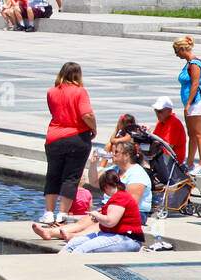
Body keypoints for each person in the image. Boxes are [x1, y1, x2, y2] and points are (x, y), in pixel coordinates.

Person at [41, 61, 97, 224]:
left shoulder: (51, 92)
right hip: (77, 137)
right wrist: (94, 129)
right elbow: (87, 114)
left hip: (54, 137)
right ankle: (62, 213)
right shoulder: (80, 92)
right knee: (71, 177)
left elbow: (55, 112)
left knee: (52, 175)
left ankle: (49, 212)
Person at [58, 170, 144, 254]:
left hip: (127, 238)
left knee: (82, 249)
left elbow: (110, 222)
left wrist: (96, 215)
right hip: (110, 234)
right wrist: (99, 218)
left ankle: (71, 266)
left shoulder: (120, 198)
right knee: (73, 243)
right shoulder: (116, 197)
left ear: (105, 186)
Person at [88, 138, 152, 223]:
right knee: (85, 221)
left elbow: (130, 203)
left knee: (92, 224)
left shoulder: (137, 174)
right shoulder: (114, 169)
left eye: (116, 152)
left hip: (133, 213)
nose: (112, 154)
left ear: (126, 155)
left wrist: (105, 213)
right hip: (111, 208)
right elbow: (95, 182)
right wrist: (93, 164)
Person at [173, 36, 201, 175]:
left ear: (183, 49)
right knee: (192, 134)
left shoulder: (194, 63)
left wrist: (188, 103)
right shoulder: (188, 63)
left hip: (195, 103)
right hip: (189, 103)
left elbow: (195, 84)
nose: (176, 54)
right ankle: (189, 162)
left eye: (177, 51)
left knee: (198, 134)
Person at [150, 96, 187, 161]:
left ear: (169, 111)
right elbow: (154, 139)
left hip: (173, 161)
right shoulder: (161, 122)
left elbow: (168, 147)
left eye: (160, 111)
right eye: (156, 111)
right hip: (164, 156)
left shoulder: (174, 123)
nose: (157, 114)